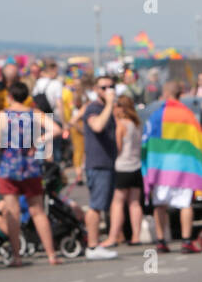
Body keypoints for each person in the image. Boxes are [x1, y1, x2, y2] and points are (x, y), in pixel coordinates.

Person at [0, 80, 60, 265]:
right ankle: (51, 254)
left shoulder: (1, 116)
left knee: (13, 212)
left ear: (9, 96)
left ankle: (17, 256)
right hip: (31, 167)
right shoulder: (34, 114)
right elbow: (57, 130)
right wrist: (38, 140)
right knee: (37, 210)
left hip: (8, 167)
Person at [145, 81, 200, 253]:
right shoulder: (188, 115)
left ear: (165, 94)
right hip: (183, 167)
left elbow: (146, 141)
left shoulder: (156, 115)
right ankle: (186, 241)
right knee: (185, 204)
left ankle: (161, 241)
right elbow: (197, 140)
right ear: (180, 94)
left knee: (160, 205)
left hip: (161, 168)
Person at [81, 74, 120, 258]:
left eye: (111, 87)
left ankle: (96, 243)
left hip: (106, 162)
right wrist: (110, 105)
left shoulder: (104, 108)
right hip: (98, 164)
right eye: (103, 88)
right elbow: (96, 126)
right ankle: (93, 245)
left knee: (102, 203)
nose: (108, 91)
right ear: (96, 90)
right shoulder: (94, 108)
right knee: (96, 205)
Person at [107, 95, 144, 248]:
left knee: (117, 203)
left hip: (122, 166)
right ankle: (136, 235)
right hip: (136, 166)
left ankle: (114, 236)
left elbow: (118, 147)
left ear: (121, 108)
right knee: (134, 203)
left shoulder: (121, 125)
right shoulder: (137, 124)